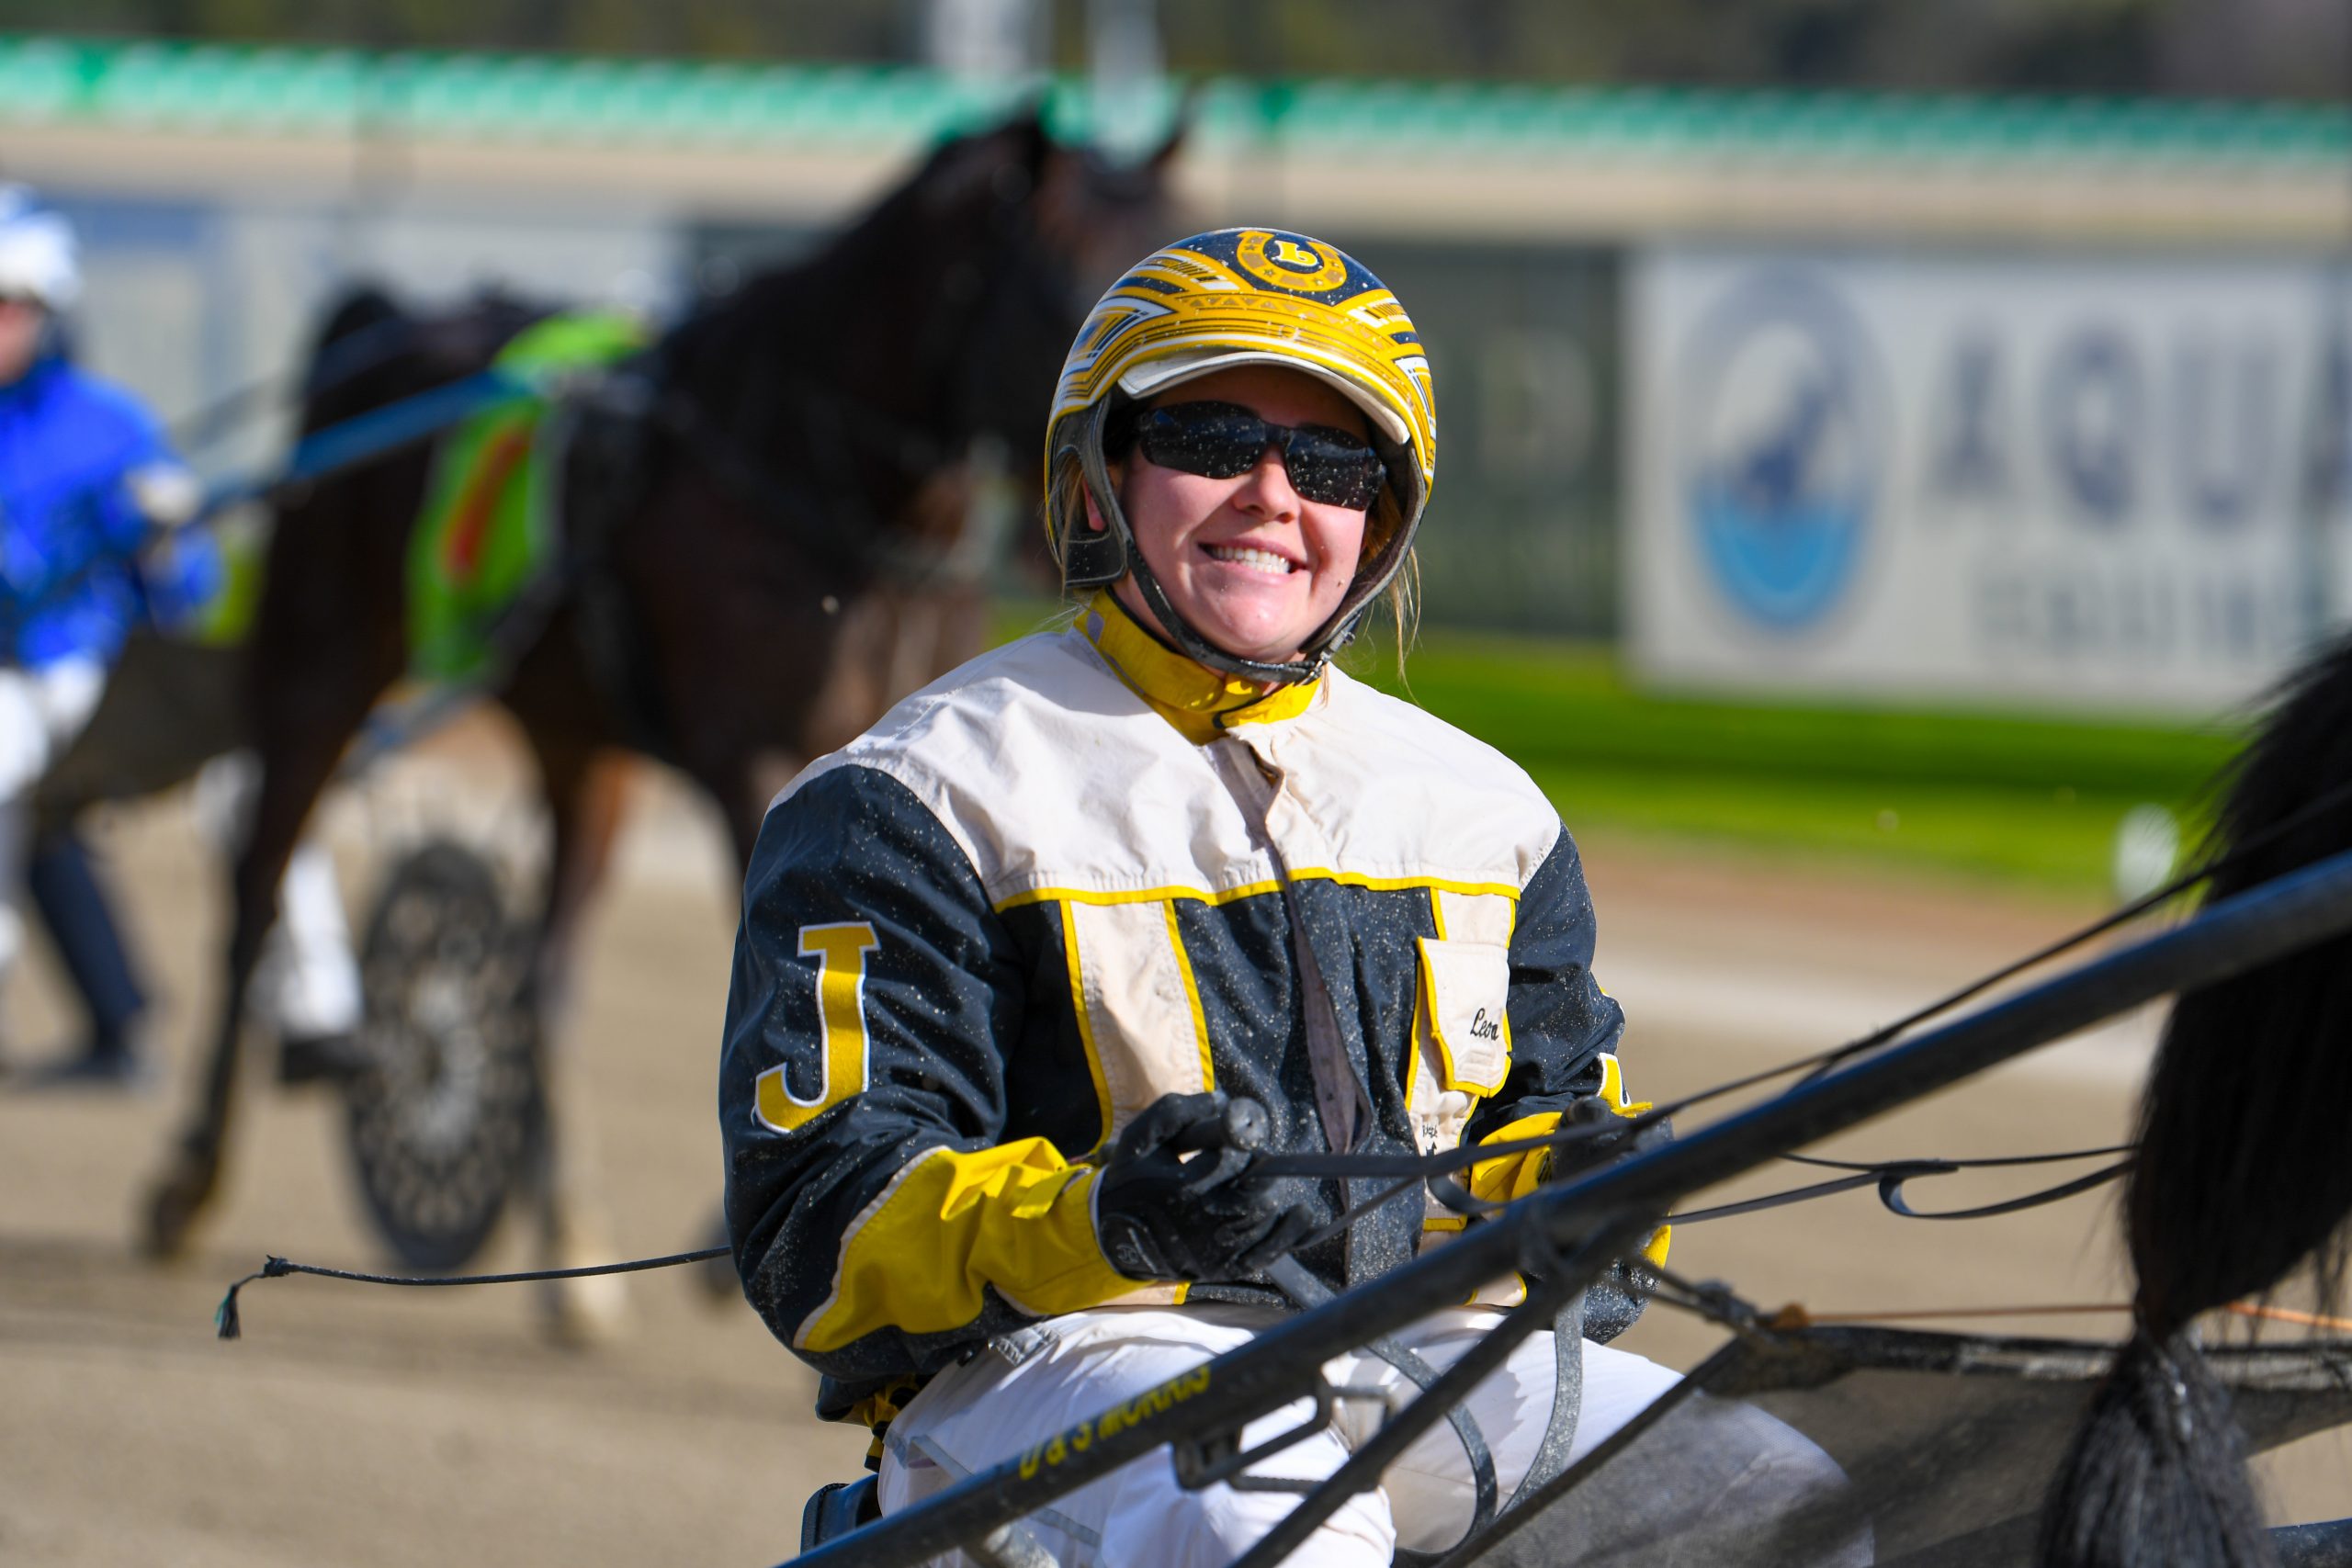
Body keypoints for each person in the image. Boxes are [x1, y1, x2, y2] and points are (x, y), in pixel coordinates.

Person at [722, 230, 1860, 1566]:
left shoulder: (1488, 814)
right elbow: (818, 1228)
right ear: (1101, 475)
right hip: (1052, 1368)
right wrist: (1102, 1222)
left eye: (1330, 466)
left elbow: (1551, 1128)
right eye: (1211, 440)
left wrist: (1591, 1186)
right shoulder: (911, 798)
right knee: (1279, 1514)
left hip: (1417, 1354)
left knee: (1778, 1501)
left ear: (1379, 520)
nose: (1272, 495)